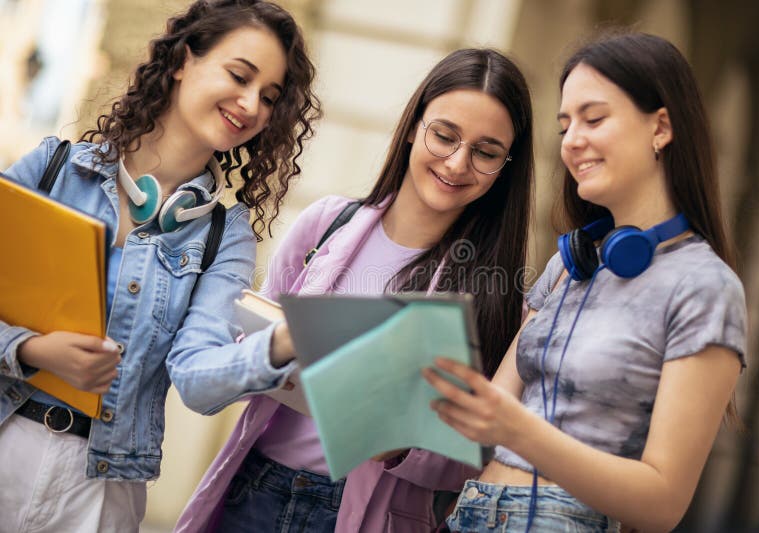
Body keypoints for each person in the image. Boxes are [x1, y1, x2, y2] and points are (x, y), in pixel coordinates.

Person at [176, 47, 534, 532]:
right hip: (254, 493)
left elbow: (476, 458)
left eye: (486, 152)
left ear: (506, 164)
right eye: (444, 135)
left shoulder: (497, 293)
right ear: (414, 125)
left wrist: (403, 446)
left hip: (363, 514)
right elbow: (238, 357)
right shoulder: (325, 224)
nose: (456, 162)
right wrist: (275, 350)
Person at [0, 1, 319, 531]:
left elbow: (196, 379)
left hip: (99, 492)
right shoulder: (53, 169)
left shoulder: (227, 236)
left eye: (269, 98)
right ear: (181, 61)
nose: (250, 104)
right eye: (239, 76)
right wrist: (33, 350)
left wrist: (282, 343)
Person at [424, 31, 747, 532]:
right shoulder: (568, 264)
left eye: (593, 119)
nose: (572, 139)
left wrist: (521, 433)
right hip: (471, 510)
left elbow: (662, 504)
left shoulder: (706, 287)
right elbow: (492, 410)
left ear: (660, 127)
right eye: (565, 124)